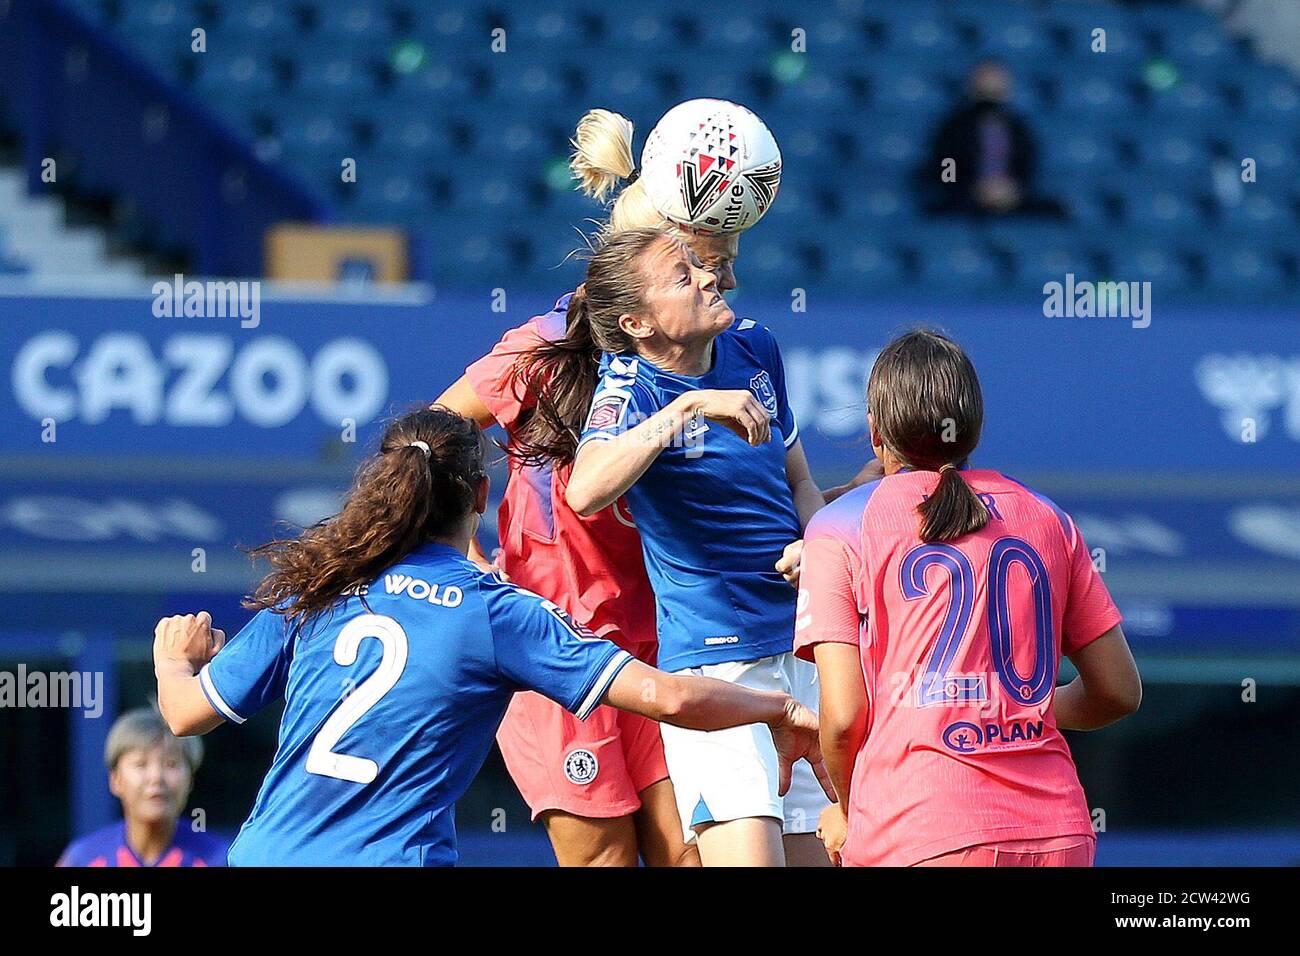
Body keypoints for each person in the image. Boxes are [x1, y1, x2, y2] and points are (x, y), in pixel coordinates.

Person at [152, 407, 826, 867]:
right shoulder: (497, 612)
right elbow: (670, 698)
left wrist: (172, 661)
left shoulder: (321, 582)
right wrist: (782, 707)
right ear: (481, 497)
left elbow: (184, 713)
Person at [432, 106, 748, 867]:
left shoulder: (707, 361)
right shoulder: (542, 351)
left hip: (665, 644)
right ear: (632, 297)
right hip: (555, 646)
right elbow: (432, 432)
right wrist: (464, 560)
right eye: (690, 269)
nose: (713, 282)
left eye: (714, 270)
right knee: (603, 861)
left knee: (691, 855)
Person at [796, 329, 1142, 867]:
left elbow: (843, 717)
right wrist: (1012, 710)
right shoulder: (1048, 518)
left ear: (874, 432)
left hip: (920, 829)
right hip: (1057, 833)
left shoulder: (839, 526)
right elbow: (1118, 691)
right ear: (972, 428)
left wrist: (845, 806)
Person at [548, 227, 831, 867]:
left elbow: (802, 481)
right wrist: (690, 409)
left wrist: (815, 543)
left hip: (802, 647)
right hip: (716, 668)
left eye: (700, 266)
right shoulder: (631, 389)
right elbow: (586, 489)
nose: (708, 278)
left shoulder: (756, 346)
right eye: (683, 276)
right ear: (638, 324)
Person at [57, 707, 227, 867]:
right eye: (140, 764)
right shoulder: (83, 859)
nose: (156, 778)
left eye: (171, 764)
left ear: (190, 779)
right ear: (115, 779)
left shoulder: (217, 858)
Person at [921, 59, 1062, 218]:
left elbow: (1027, 164)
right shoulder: (953, 127)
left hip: (1009, 197)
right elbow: (946, 168)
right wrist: (971, 189)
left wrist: (1012, 189)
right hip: (966, 198)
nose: (990, 90)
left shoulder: (1017, 127)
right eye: (985, 83)